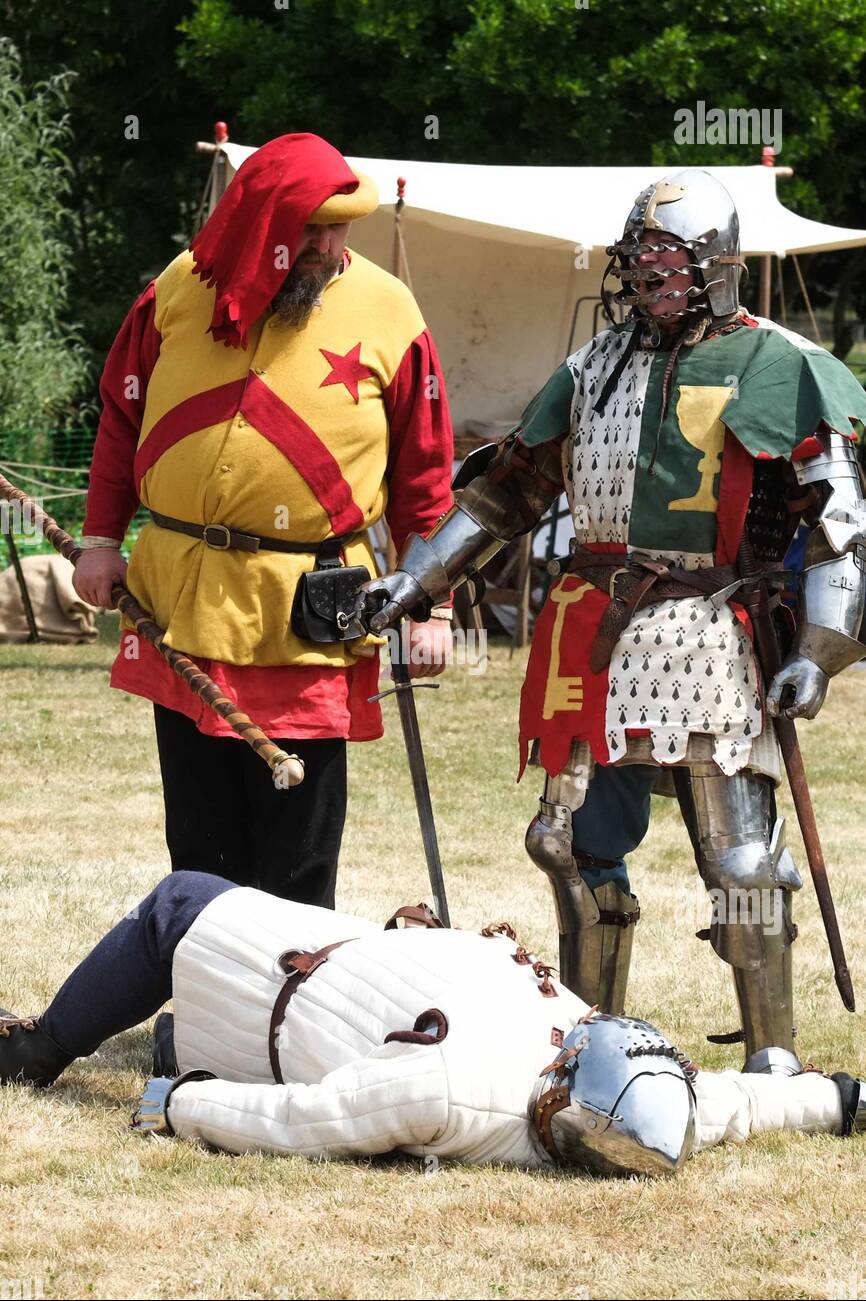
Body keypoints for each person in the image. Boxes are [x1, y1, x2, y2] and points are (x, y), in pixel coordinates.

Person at [357, 168, 866, 1070]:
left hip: (710, 631)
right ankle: (590, 1040)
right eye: (638, 264)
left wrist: (820, 652)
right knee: (569, 843)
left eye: (667, 264)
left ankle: (772, 1056)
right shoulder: (592, 365)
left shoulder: (783, 364)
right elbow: (504, 491)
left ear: (716, 266)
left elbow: (839, 529)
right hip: (590, 630)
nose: (645, 281)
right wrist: (419, 577)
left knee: (741, 862)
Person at [73, 132, 454, 909]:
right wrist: (101, 539)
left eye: (338, 228)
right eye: (307, 229)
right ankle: (209, 999)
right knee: (200, 829)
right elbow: (123, 415)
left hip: (307, 604)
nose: (325, 247)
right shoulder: (179, 291)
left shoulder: (388, 309)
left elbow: (426, 467)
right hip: (182, 592)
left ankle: (286, 1007)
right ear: (257, 220)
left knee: (297, 839)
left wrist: (433, 600)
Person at [0, 871, 862, 1175]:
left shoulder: (449, 1095)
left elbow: (307, 1123)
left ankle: (38, 1050)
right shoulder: (649, 1106)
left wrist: (181, 1105)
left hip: (300, 994)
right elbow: (739, 1103)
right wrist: (841, 1099)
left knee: (179, 904)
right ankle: (179, 1039)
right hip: (359, 965)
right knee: (183, 1025)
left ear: (561, 1087)